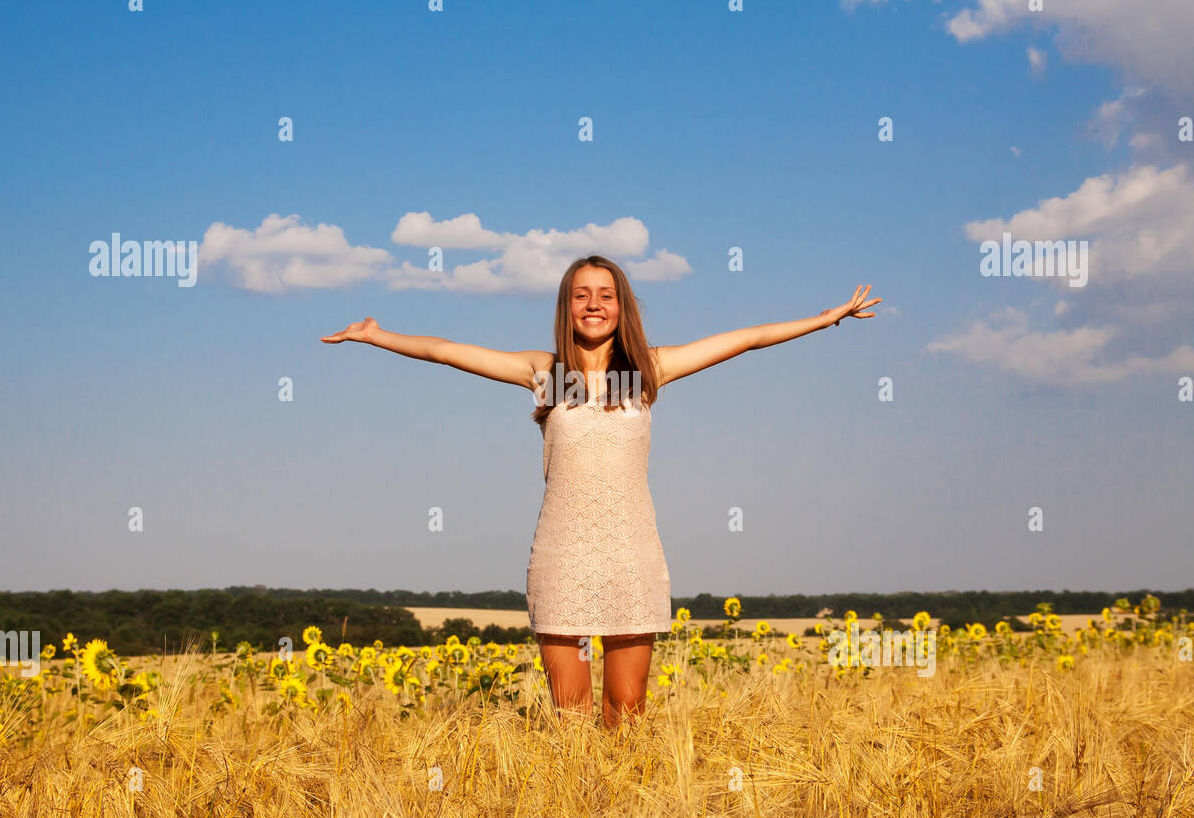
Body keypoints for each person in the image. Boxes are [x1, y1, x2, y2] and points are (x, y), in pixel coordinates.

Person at [322, 255, 880, 730]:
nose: (593, 304)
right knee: (569, 719)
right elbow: (445, 350)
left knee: (627, 713)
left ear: (622, 305)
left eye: (605, 295)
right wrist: (376, 336)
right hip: (561, 555)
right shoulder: (545, 373)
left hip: (631, 555)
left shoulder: (647, 370)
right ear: (567, 307)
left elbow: (747, 340)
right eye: (581, 295)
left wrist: (826, 319)